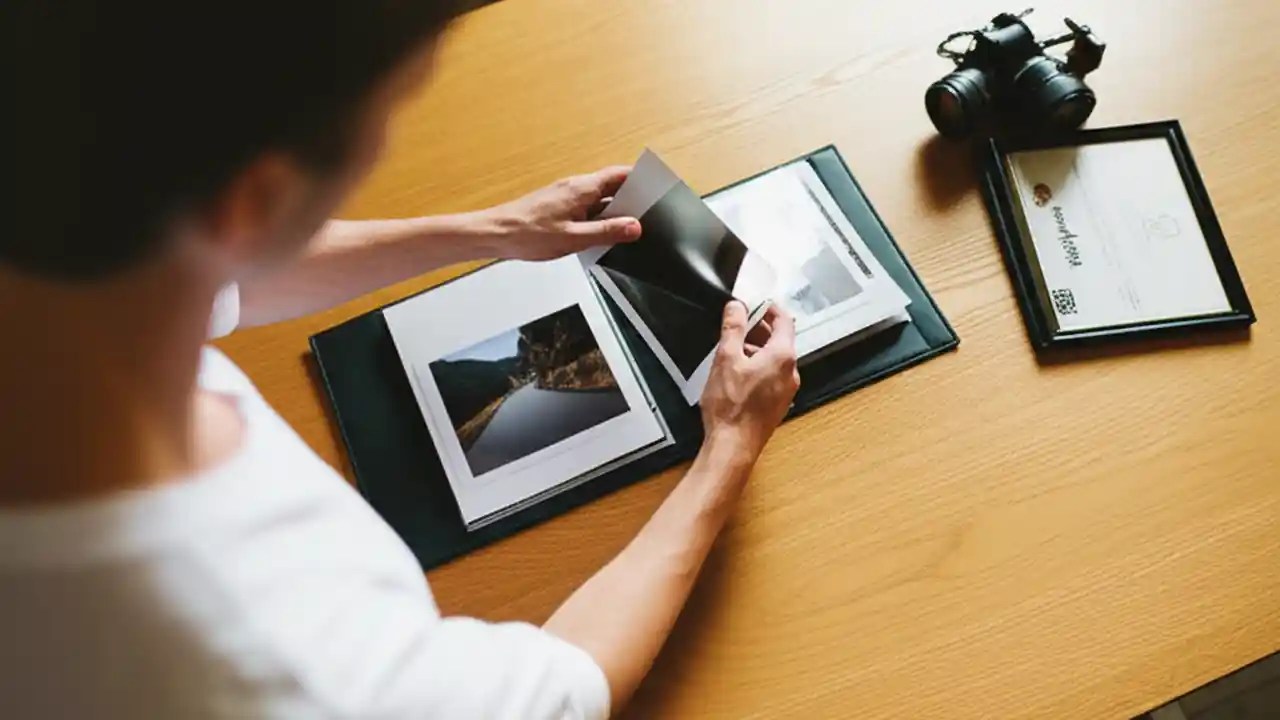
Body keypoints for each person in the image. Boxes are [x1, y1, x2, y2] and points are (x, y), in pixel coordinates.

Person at [0, 2, 800, 718]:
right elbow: (565, 690)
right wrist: (727, 446)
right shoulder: (281, 663)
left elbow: (205, 264)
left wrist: (490, 232)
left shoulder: (65, 232)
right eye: (394, 107)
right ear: (256, 199)